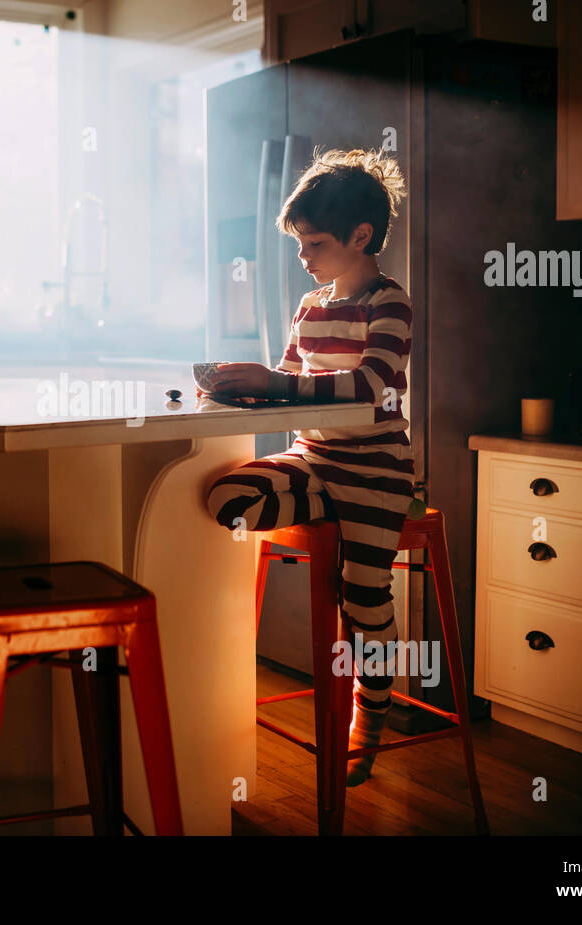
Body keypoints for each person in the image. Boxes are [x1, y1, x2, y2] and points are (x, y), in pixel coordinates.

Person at [204, 148, 414, 786]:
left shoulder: (389, 304)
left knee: (362, 595)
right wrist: (240, 388)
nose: (303, 257)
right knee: (226, 499)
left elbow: (373, 388)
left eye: (314, 243)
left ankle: (369, 717)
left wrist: (279, 383)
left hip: (376, 468)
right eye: (298, 243)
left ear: (360, 237)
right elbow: (291, 384)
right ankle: (328, 514)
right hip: (313, 458)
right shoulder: (309, 306)